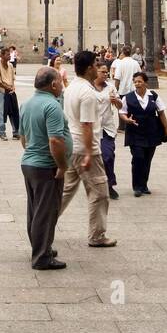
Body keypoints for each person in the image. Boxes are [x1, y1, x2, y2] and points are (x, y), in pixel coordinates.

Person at [60, 49, 115, 247]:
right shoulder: (88, 93)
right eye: (96, 63)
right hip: (85, 149)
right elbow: (87, 125)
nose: (99, 66)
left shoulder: (71, 88)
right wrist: (90, 153)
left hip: (71, 147)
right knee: (100, 193)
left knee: (65, 192)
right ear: (90, 67)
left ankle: (44, 223)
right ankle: (97, 235)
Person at [18, 66, 72, 270]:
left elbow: (23, 139)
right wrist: (61, 166)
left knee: (35, 209)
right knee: (46, 211)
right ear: (53, 84)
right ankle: (41, 256)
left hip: (29, 163)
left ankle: (41, 247)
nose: (62, 84)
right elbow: (56, 141)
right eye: (60, 80)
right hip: (46, 166)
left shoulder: (27, 104)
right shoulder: (52, 106)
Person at [120, 71, 167, 195]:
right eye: (135, 82)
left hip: (151, 133)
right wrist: (127, 120)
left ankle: (144, 185)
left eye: (140, 82)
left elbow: (161, 112)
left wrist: (166, 128)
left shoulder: (153, 96)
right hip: (135, 132)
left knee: (147, 159)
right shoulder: (128, 97)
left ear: (145, 83)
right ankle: (136, 186)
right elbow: (122, 112)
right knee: (138, 158)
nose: (137, 84)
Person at [94, 62, 120, 199]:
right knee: (95, 160)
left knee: (108, 156)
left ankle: (109, 184)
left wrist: (116, 100)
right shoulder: (88, 88)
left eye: (106, 72)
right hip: (91, 129)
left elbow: (120, 105)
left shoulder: (110, 87)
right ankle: (97, 185)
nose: (105, 74)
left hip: (107, 129)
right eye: (102, 72)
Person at [0, 44, 19, 140]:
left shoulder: (11, 66)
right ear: (2, 55)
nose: (9, 56)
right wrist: (8, 87)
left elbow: (13, 79)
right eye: (8, 55)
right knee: (2, 113)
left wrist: (13, 87)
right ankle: (2, 132)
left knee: (13, 112)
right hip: (2, 93)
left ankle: (15, 131)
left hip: (10, 92)